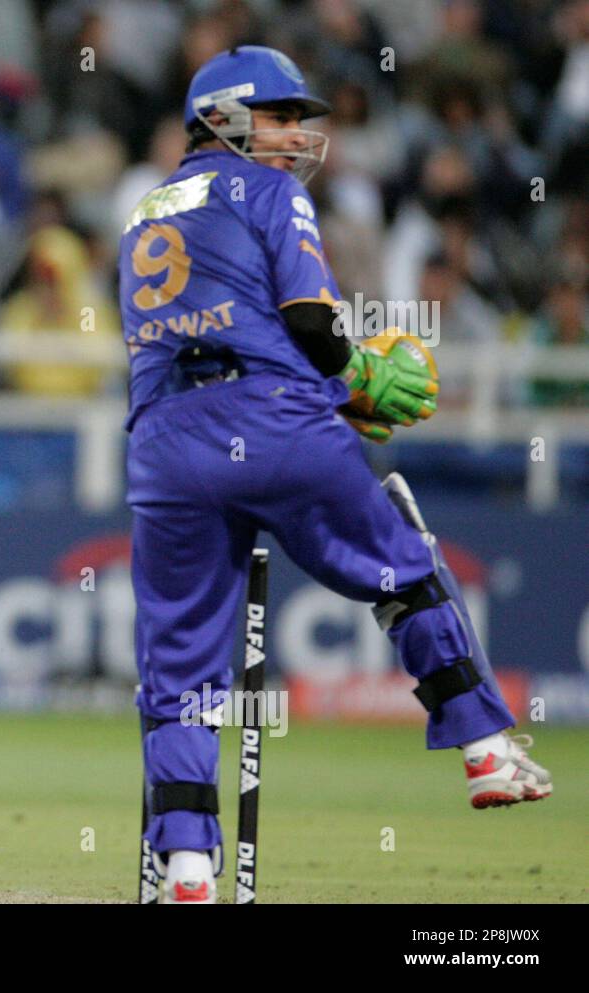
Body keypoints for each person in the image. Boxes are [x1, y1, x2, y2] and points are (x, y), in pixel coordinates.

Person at [120, 47, 553, 905]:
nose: (295, 135)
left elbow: (201, 333)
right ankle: (485, 748)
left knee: (179, 671)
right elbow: (312, 324)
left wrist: (318, 384)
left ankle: (188, 866)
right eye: (278, 117)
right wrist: (353, 381)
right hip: (275, 424)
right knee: (403, 562)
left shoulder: (140, 212)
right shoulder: (272, 191)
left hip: (165, 444)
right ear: (223, 117)